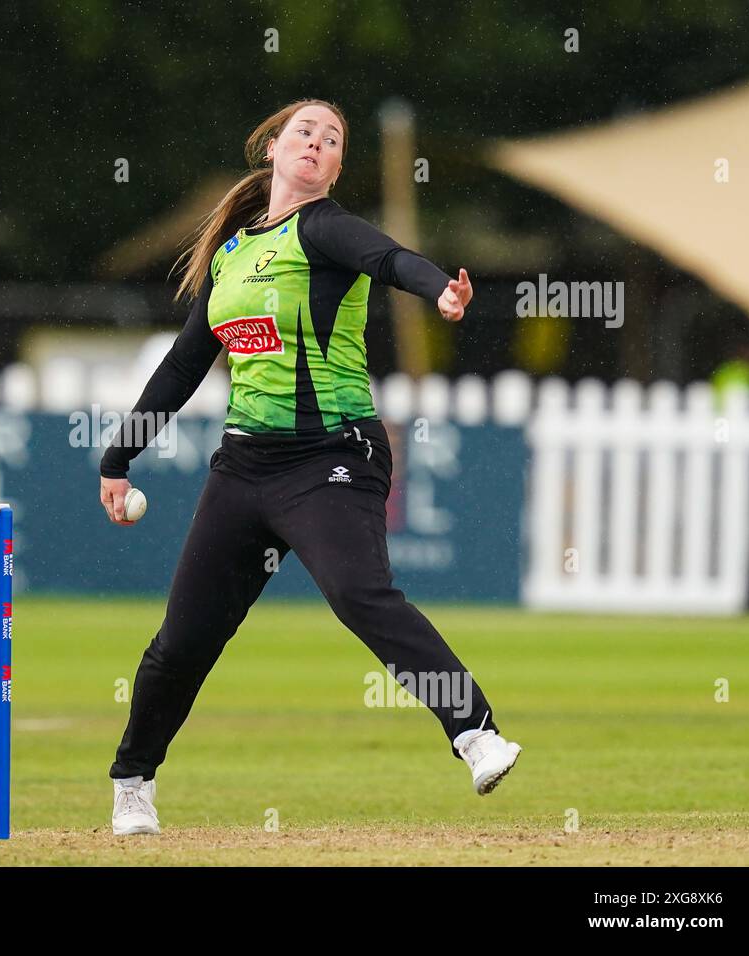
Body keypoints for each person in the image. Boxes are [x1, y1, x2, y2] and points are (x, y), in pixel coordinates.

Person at [99, 99, 522, 836]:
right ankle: (133, 781)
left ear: (334, 166)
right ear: (271, 147)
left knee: (362, 595)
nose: (318, 144)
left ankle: (476, 732)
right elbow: (182, 367)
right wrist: (117, 457)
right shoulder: (231, 254)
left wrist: (441, 292)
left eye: (332, 141)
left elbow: (390, 260)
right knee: (182, 642)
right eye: (305, 132)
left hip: (334, 456)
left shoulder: (325, 228)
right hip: (243, 470)